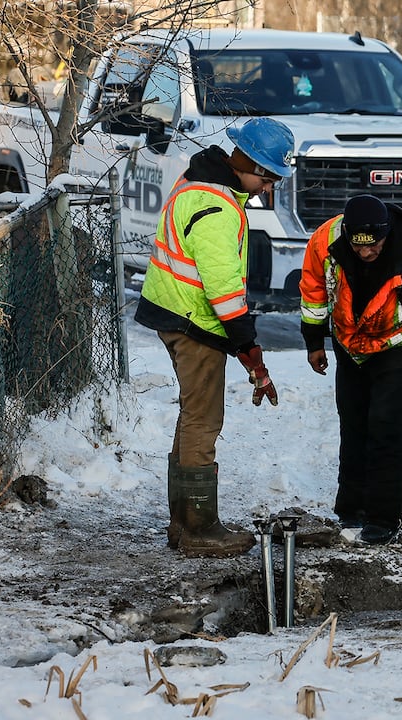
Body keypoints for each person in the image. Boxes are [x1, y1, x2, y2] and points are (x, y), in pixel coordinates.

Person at [134, 117, 295, 558]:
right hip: (194, 321)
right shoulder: (218, 208)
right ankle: (199, 528)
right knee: (203, 420)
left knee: (191, 417)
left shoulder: (198, 178)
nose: (269, 188)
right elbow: (225, 293)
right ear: (251, 166)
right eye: (270, 178)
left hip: (173, 310)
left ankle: (182, 523)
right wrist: (250, 352)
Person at [299, 194, 402, 545]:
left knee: (387, 429)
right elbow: (312, 290)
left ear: (385, 236)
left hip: (396, 347)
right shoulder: (325, 240)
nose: (365, 253)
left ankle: (385, 516)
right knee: (352, 426)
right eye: (357, 247)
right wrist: (313, 340)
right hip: (349, 347)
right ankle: (351, 507)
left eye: (373, 247)